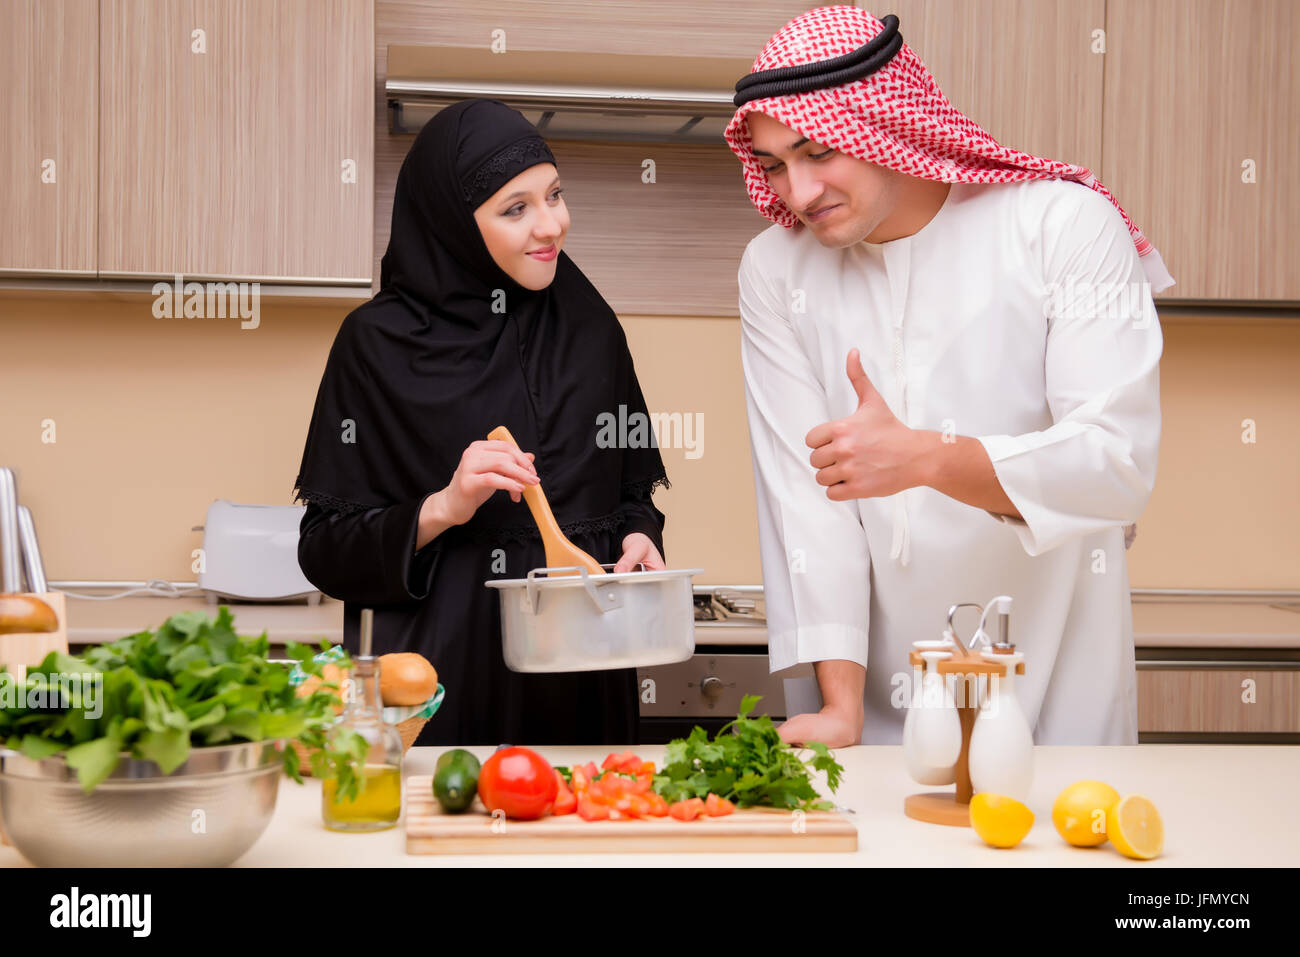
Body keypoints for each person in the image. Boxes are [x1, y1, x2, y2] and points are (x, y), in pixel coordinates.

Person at [724, 7, 1171, 747]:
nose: (798, 193)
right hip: (867, 715)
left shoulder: (1062, 225)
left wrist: (926, 457)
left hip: (1059, 694)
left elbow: (1115, 463)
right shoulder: (775, 269)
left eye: (819, 152)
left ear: (887, 125)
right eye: (774, 165)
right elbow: (808, 504)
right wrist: (840, 708)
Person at [292, 98, 669, 746]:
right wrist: (442, 506)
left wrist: (638, 539)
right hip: (437, 688)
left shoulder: (589, 326)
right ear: (451, 224)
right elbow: (325, 549)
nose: (551, 225)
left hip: (583, 677)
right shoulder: (375, 346)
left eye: (554, 195)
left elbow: (631, 492)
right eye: (515, 208)